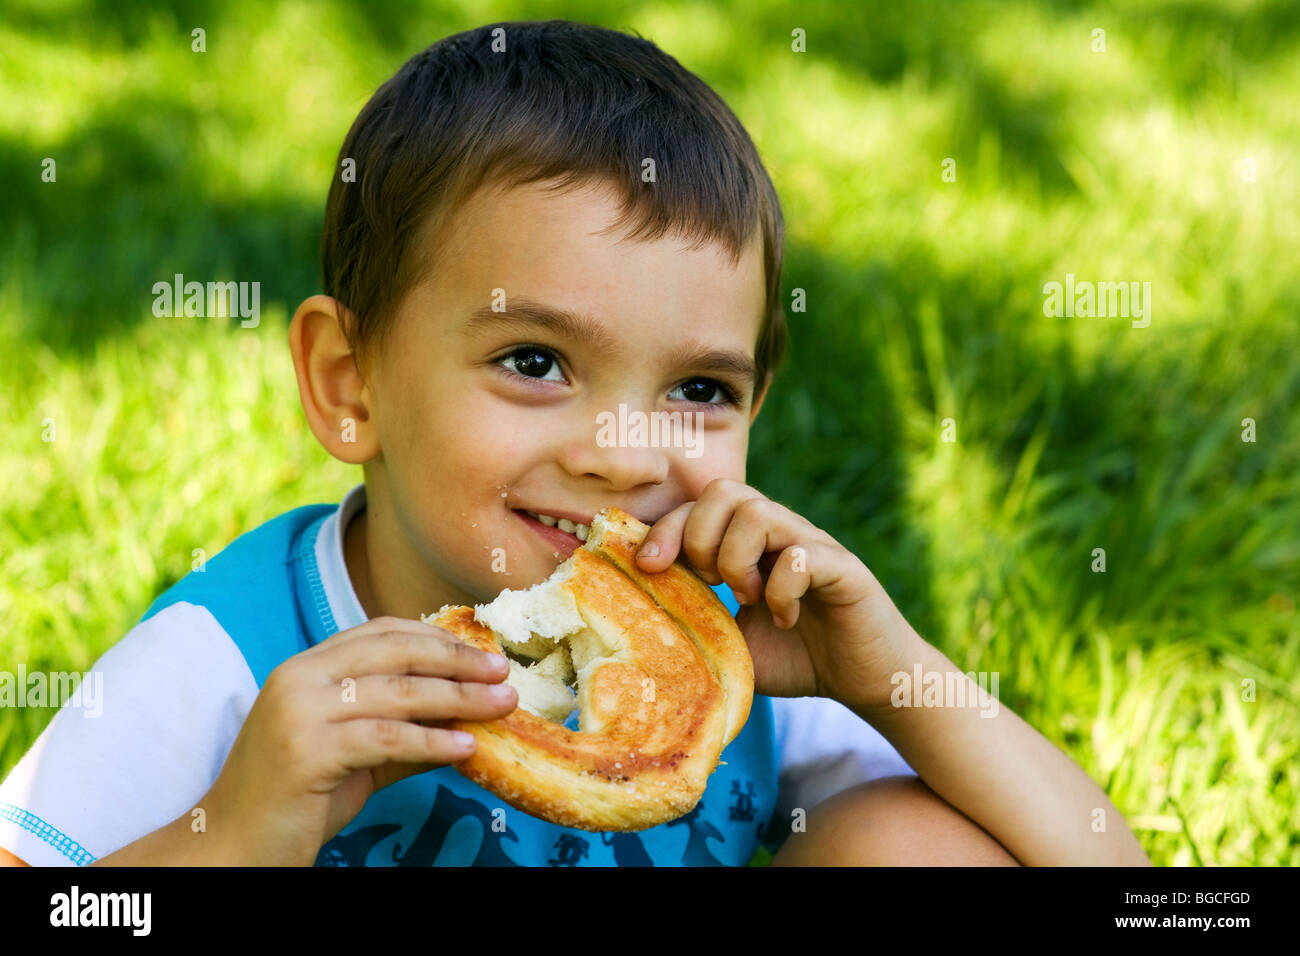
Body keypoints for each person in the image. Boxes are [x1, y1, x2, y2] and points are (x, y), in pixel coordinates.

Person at [0, 20, 1148, 867]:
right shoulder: (230, 661)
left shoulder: (726, 654)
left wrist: (887, 674)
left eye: (699, 386)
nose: (624, 453)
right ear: (351, 386)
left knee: (909, 838)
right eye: (536, 360)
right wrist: (235, 830)